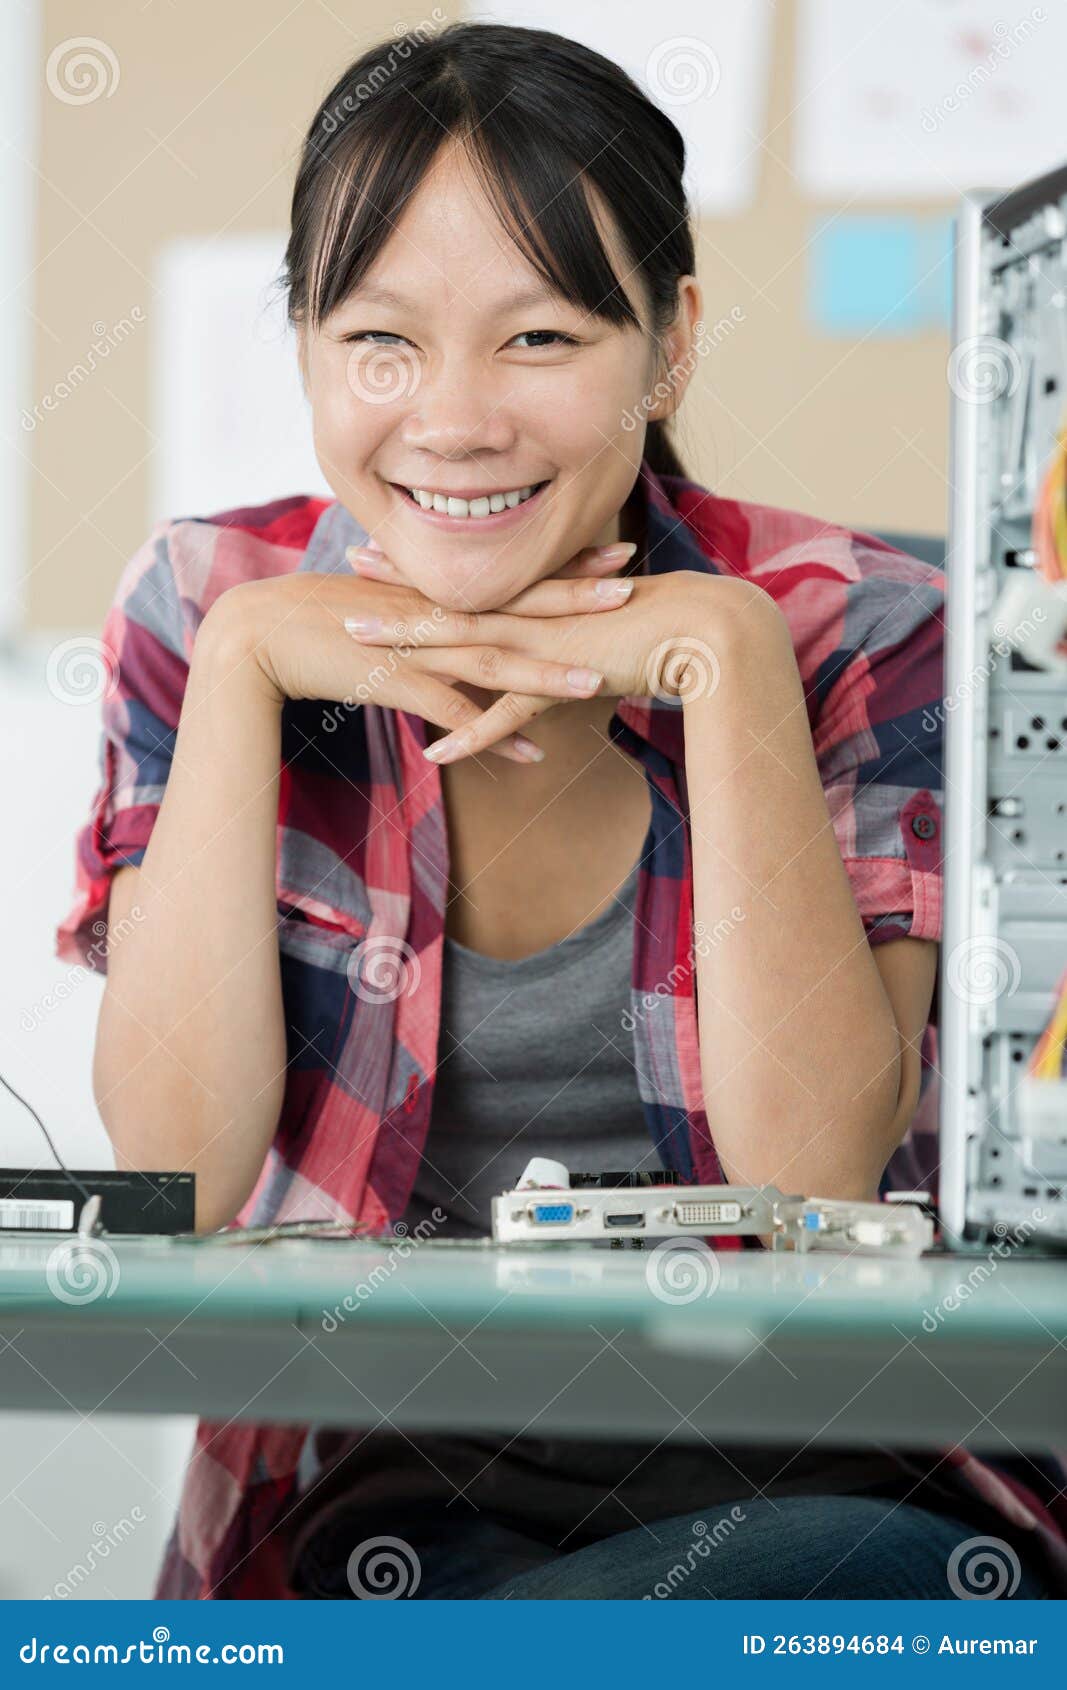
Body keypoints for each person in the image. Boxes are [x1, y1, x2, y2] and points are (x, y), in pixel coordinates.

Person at [56, 20, 1066, 1601]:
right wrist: (253, 668)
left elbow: (811, 1171)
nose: (453, 420)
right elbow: (176, 1167)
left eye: (539, 340)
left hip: (832, 1482)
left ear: (666, 345)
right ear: (308, 348)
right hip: (394, 1497)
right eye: (378, 341)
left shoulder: (859, 622)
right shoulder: (206, 609)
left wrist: (725, 664)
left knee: (822, 1579)